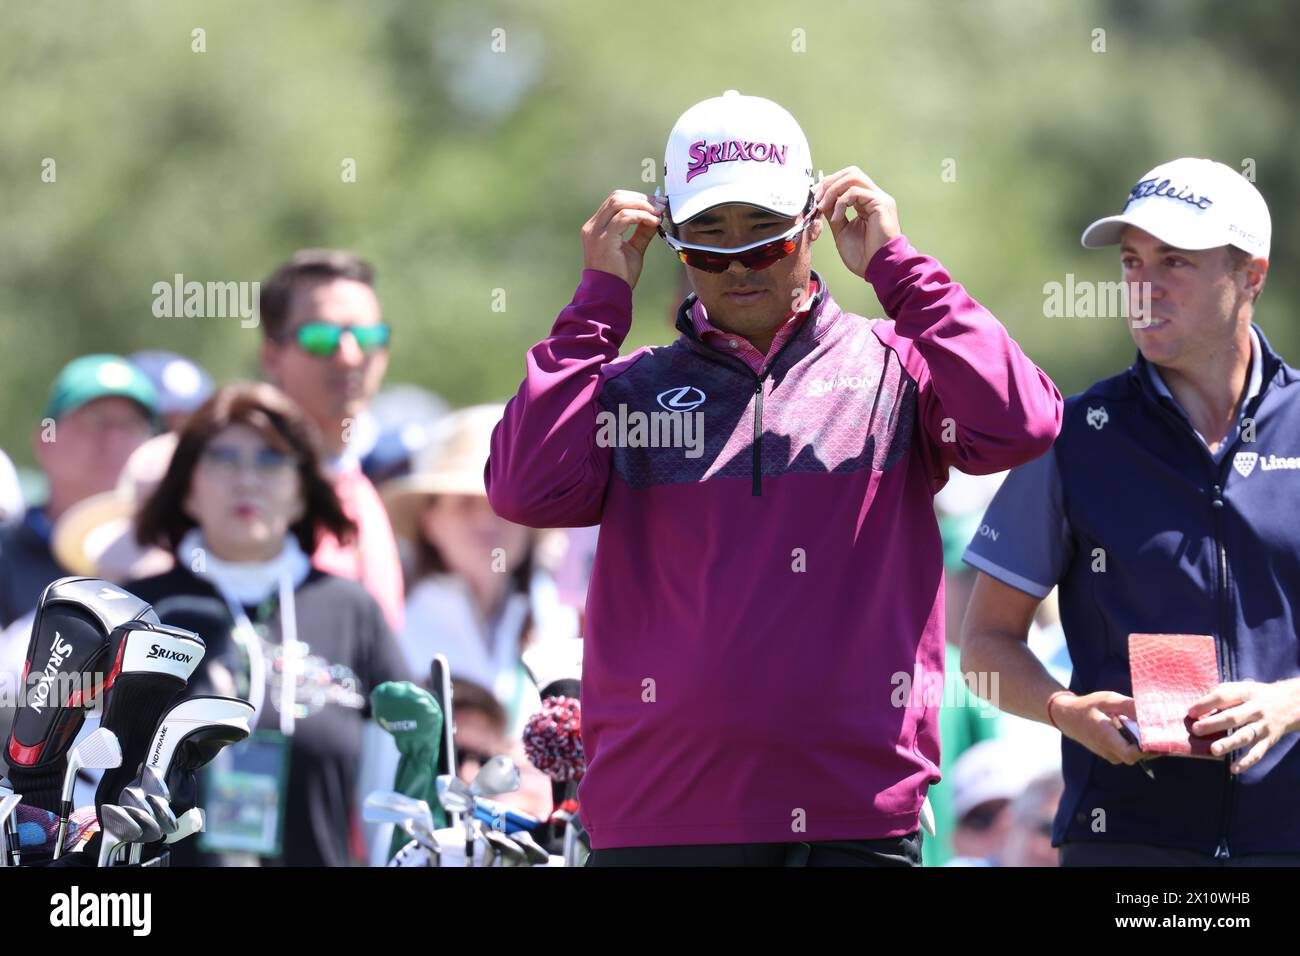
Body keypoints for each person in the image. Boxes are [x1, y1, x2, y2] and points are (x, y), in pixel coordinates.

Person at [487, 90, 1062, 866]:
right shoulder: (627, 387)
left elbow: (1021, 423)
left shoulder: (898, 366)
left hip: (856, 818)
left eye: (763, 238)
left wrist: (902, 270)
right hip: (660, 822)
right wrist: (598, 303)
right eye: (708, 244)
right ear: (673, 242)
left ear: (812, 226)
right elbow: (525, 489)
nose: (738, 266)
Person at [961, 158, 1300, 866]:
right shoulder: (1071, 436)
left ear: (1251, 276)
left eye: (1174, 261)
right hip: (1129, 845)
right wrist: (1064, 710)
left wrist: (1288, 703)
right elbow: (986, 648)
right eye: (1132, 261)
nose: (1144, 286)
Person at [126, 382, 411, 866]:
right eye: (223, 458)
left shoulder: (353, 610)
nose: (247, 479)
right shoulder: (139, 613)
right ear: (187, 488)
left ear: (303, 493)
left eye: (272, 460)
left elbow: (393, 802)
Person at [381, 404, 579, 735]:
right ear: (428, 520)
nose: (487, 520)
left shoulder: (560, 627)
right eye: (465, 502)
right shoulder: (393, 624)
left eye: (502, 505)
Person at [259, 250, 406, 632]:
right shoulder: (245, 484)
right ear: (272, 356)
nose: (349, 356)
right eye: (321, 338)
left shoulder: (360, 486)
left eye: (368, 337)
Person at [0, 355, 157, 627]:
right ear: (45, 440)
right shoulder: (6, 555)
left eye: (131, 425)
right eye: (94, 420)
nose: (114, 440)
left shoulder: (166, 561)